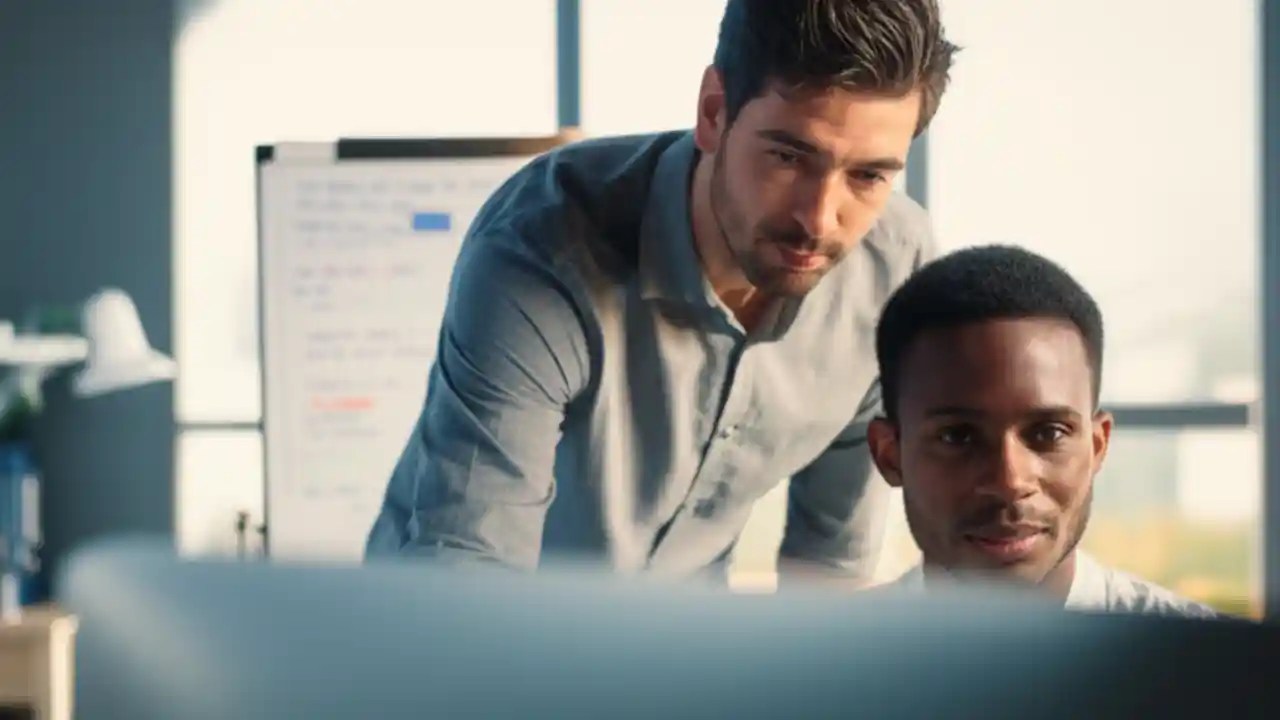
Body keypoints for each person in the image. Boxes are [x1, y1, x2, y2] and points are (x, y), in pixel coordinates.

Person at [365, 0, 957, 585]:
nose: (820, 219)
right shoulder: (540, 247)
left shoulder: (893, 266)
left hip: (678, 652)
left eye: (869, 176)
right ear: (714, 110)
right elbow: (471, 568)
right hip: (468, 639)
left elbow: (827, 566)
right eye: (787, 156)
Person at [865, 244, 1216, 616]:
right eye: (958, 436)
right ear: (889, 454)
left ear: (1098, 446)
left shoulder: (1218, 666)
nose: (1010, 481)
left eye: (1048, 434)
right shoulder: (816, 667)